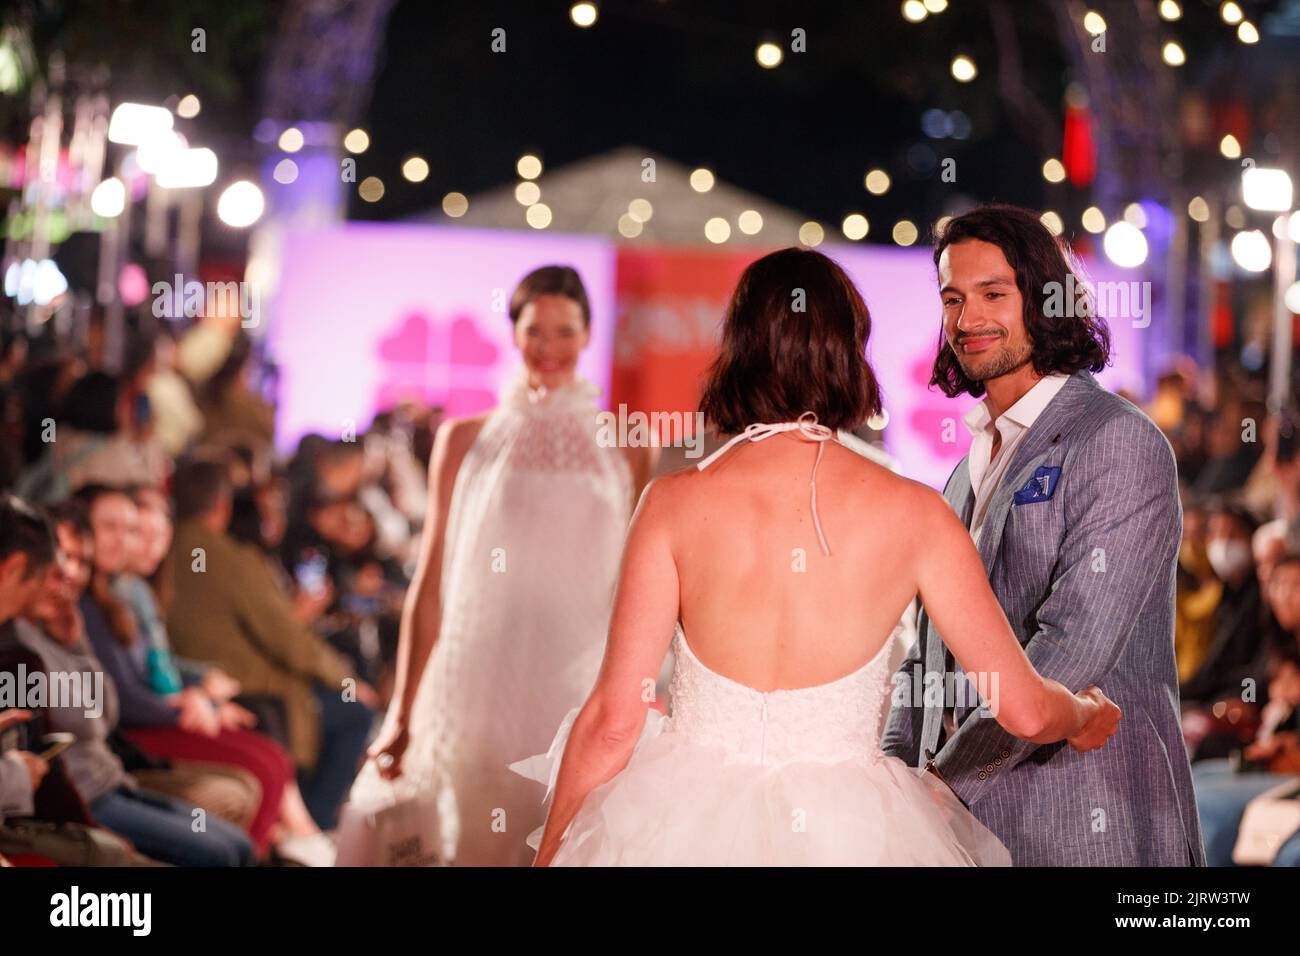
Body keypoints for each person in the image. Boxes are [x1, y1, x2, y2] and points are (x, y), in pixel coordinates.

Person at [513, 247, 1120, 867]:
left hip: (675, 826)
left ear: (739, 350)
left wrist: (551, 855)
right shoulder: (915, 513)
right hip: (856, 835)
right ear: (851, 353)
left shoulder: (670, 503)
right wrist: (1081, 713)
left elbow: (615, 720)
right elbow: (1020, 706)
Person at [881, 204, 1203, 865]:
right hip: (961, 828)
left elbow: (1072, 648)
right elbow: (929, 656)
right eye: (952, 298)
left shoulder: (1117, 440)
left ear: (1047, 299)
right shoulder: (964, 470)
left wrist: (941, 782)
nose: (966, 320)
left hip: (1086, 822)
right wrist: (893, 777)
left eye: (993, 294)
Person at [359, 265, 654, 866]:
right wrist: (401, 713)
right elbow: (432, 577)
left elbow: (635, 586)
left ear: (589, 335)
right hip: (477, 676)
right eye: (535, 330)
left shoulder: (626, 443)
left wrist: (640, 691)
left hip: (575, 676)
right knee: (470, 835)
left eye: (565, 331)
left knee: (565, 835)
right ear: (513, 333)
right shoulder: (466, 438)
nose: (549, 347)